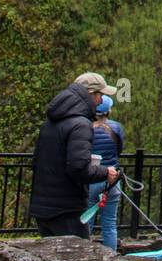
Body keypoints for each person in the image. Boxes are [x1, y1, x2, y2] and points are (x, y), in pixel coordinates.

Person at [29, 72, 119, 239]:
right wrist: (105, 172)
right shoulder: (81, 124)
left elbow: (37, 161)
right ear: (91, 94)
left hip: (43, 208)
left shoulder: (51, 121)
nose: (100, 100)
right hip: (67, 209)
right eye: (100, 95)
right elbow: (78, 168)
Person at [87, 94, 125, 251]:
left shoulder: (85, 128)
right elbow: (119, 150)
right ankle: (111, 259)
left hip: (91, 178)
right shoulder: (116, 128)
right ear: (109, 111)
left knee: (86, 222)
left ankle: (82, 256)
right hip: (113, 179)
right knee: (109, 224)